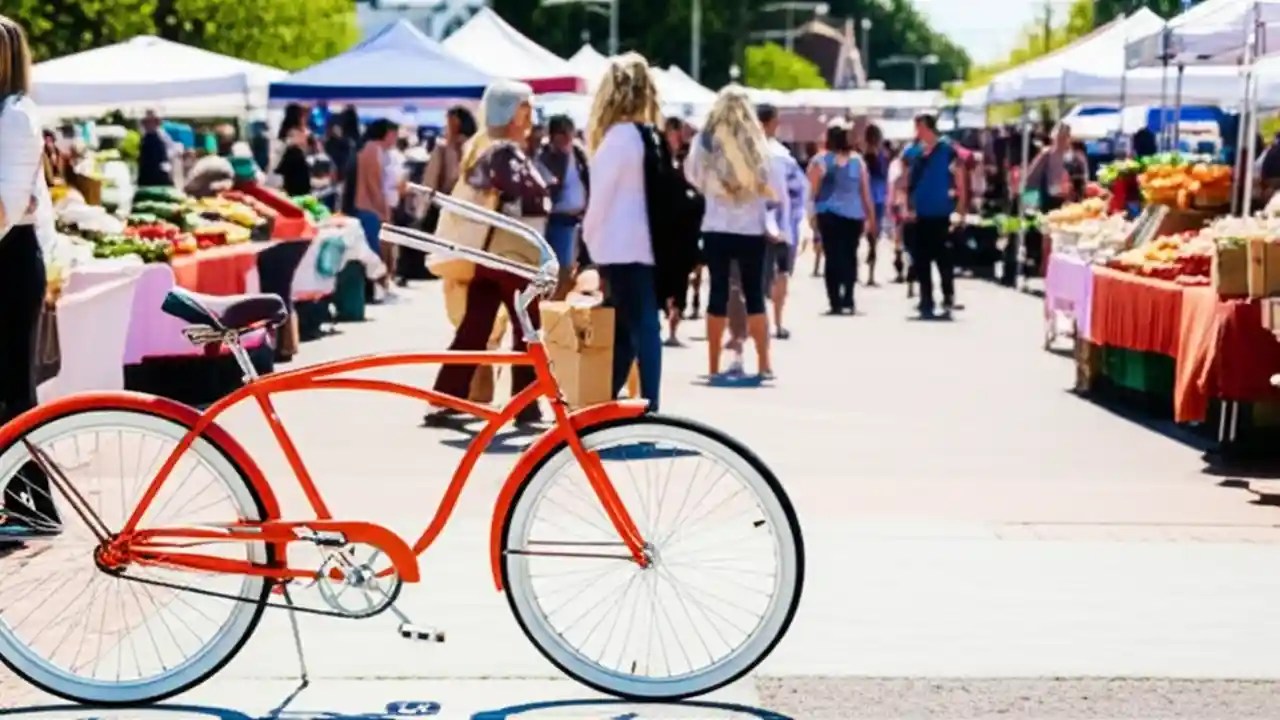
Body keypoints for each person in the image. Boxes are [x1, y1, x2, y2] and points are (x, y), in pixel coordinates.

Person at [426, 81, 548, 426]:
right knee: (528, 329)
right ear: (513, 112)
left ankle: (444, 399)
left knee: (475, 327)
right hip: (510, 254)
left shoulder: (485, 146)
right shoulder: (502, 151)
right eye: (526, 109)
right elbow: (526, 192)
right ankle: (527, 406)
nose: (530, 117)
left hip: (493, 253)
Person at [0, 15, 60, 547]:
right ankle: (22, 503)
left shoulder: (15, 117)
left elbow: (7, 204)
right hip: (10, 256)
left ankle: (33, 507)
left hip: (11, 259)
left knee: (13, 388)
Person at [582, 54, 666, 409]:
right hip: (645, 246)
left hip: (618, 247)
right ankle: (607, 403)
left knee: (639, 328)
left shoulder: (616, 139)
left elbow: (599, 200)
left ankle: (647, 404)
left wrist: (587, 244)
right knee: (627, 331)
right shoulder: (648, 136)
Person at [684, 85, 786, 379]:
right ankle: (764, 363)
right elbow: (773, 186)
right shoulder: (758, 144)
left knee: (716, 294)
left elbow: (693, 175)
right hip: (751, 228)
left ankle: (713, 365)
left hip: (716, 225)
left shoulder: (705, 141)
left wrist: (716, 192)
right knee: (754, 294)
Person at [902, 113, 967, 319]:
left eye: (919, 127)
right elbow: (906, 178)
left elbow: (959, 176)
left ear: (928, 127)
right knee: (921, 260)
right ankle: (926, 299)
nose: (917, 132)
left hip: (942, 214)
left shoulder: (947, 149)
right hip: (920, 214)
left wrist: (961, 207)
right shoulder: (914, 152)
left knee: (943, 259)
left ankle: (948, 296)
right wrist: (906, 205)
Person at [809, 121, 875, 315]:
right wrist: (870, 217)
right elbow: (865, 192)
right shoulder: (857, 161)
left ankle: (835, 300)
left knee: (832, 257)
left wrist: (811, 216)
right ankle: (849, 296)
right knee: (850, 255)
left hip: (828, 214)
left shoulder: (820, 160)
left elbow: (812, 191)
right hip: (853, 215)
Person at [758, 104, 806, 340]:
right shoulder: (782, 156)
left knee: (752, 278)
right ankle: (777, 322)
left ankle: (756, 324)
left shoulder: (746, 153)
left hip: (752, 224)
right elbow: (799, 190)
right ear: (772, 122)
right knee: (782, 273)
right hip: (781, 223)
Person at [538, 114, 590, 298]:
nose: (565, 138)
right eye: (560, 133)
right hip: (558, 219)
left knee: (572, 270)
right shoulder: (546, 155)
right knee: (560, 269)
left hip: (578, 219)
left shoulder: (578, 153)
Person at [354, 118, 399, 293]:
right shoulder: (373, 150)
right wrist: (383, 210)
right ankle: (374, 289)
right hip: (370, 208)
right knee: (374, 252)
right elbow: (374, 184)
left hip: (368, 208)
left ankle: (376, 288)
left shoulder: (372, 149)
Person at [864, 124, 890, 286]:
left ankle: (868, 272)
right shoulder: (882, 156)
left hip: (865, 198)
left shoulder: (863, 156)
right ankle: (871, 274)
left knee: (868, 236)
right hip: (878, 198)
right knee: (874, 237)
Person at [137, 110, 173, 187]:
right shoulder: (144, 138)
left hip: (159, 177)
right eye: (146, 122)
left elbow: (168, 156)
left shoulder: (162, 137)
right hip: (146, 178)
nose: (147, 125)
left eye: (150, 122)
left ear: (156, 123)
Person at [276, 123, 312, 197]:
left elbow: (280, 170)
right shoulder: (294, 153)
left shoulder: (294, 153)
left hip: (294, 190)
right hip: (297, 190)